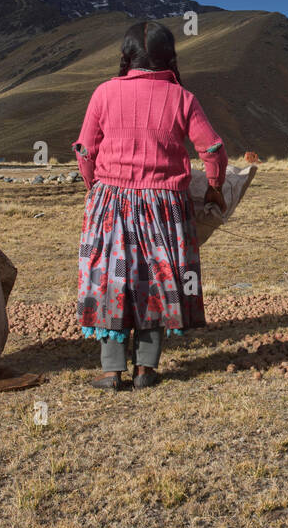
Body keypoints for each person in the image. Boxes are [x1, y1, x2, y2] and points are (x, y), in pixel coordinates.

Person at [73, 20, 227, 391]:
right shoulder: (183, 98)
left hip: (111, 202)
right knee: (157, 280)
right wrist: (215, 187)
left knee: (113, 279)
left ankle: (112, 371)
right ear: (169, 58)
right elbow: (213, 150)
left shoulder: (104, 93)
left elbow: (85, 150)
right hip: (165, 205)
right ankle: (146, 369)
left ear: (126, 57)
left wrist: (95, 185)